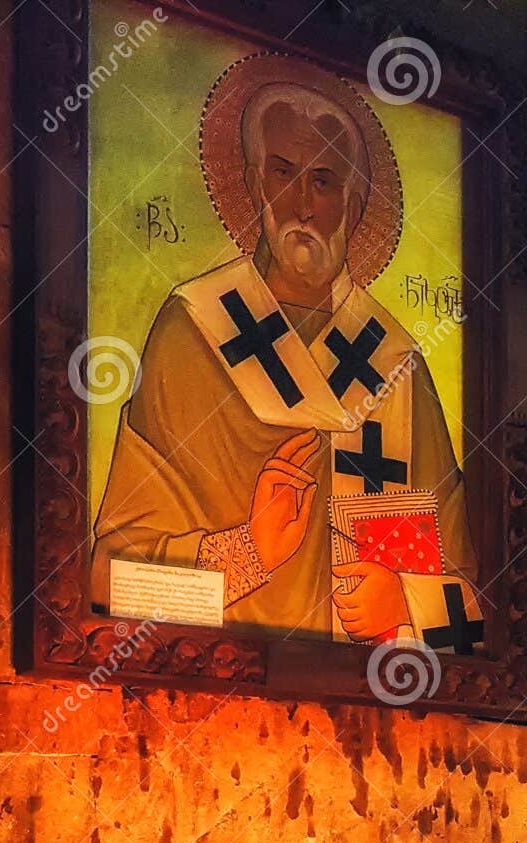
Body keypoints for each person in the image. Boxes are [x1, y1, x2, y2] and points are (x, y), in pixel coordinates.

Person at [90, 59, 482, 651]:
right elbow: (108, 583)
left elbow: (471, 619)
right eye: (283, 173)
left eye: (325, 180)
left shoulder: (397, 370)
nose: (303, 204)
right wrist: (249, 552)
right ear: (253, 185)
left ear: (354, 206)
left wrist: (404, 599)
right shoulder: (191, 332)